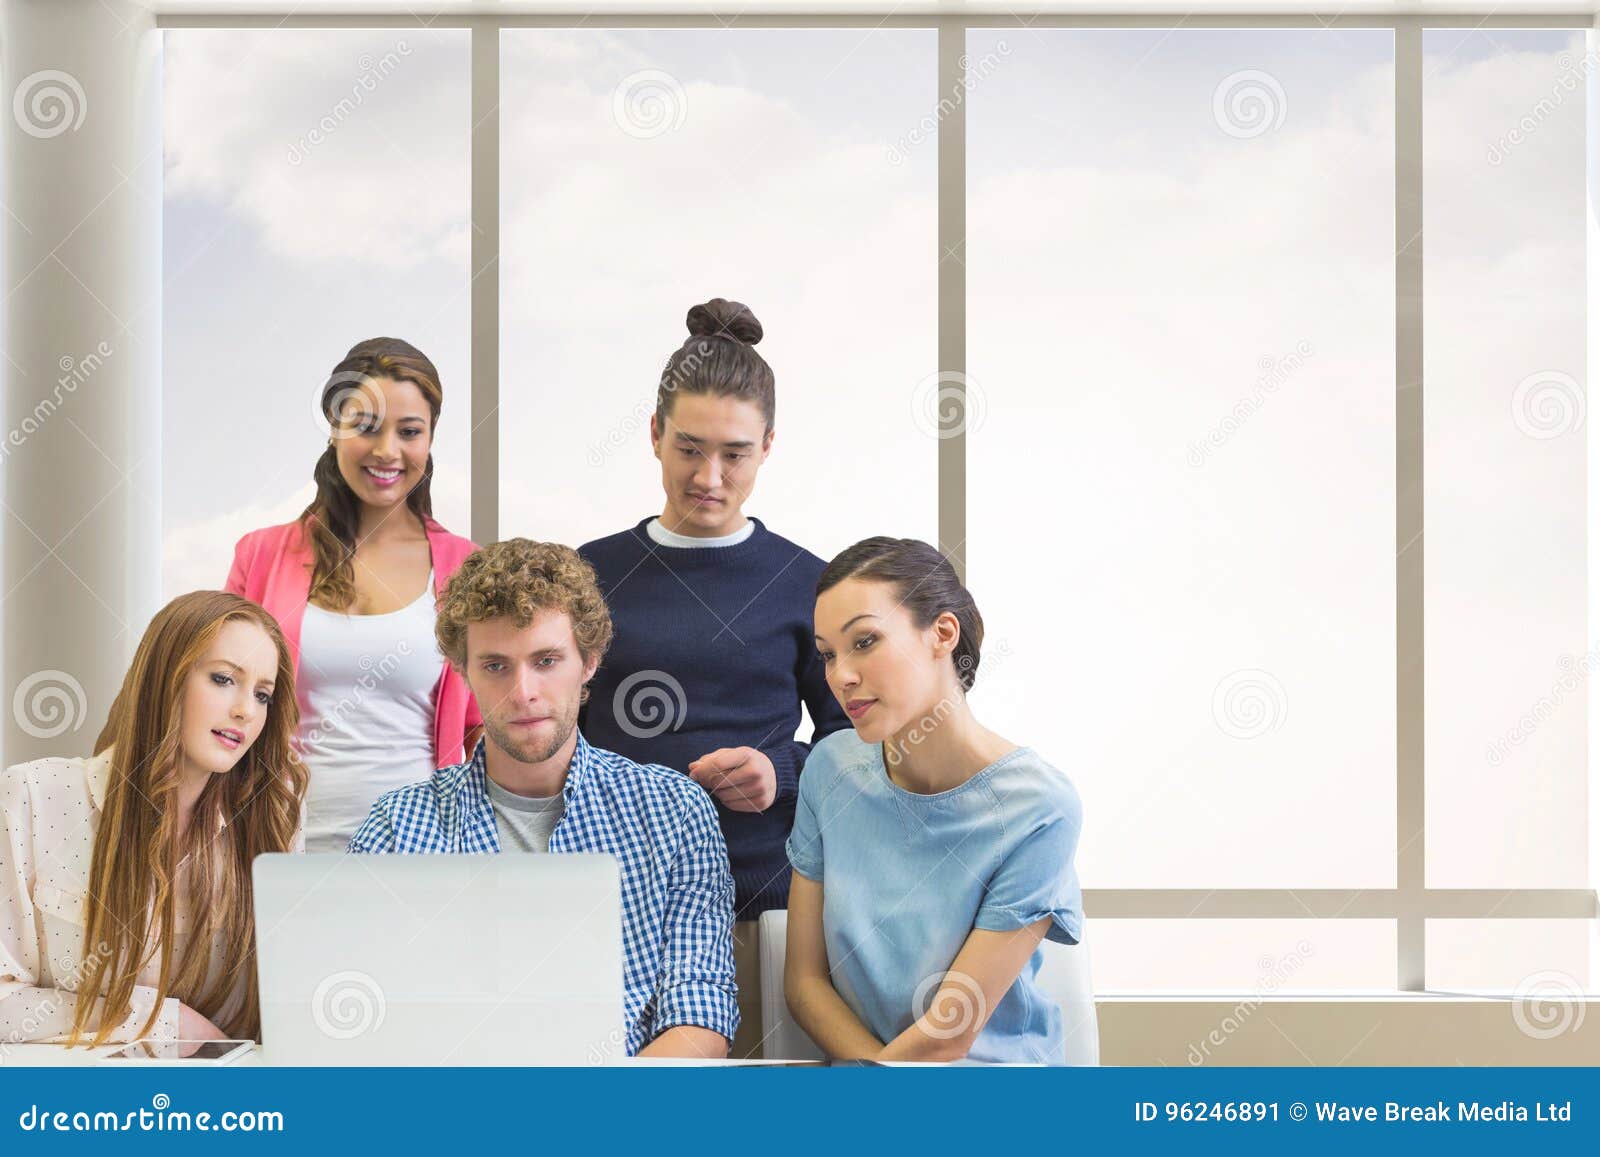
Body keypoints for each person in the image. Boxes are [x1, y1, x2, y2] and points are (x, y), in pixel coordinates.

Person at [578, 297, 849, 1056]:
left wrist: (780, 769)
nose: (708, 475)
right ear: (655, 434)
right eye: (689, 447)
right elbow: (538, 725)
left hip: (761, 908)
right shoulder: (586, 574)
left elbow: (858, 741)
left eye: (734, 453)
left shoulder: (810, 582)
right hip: (602, 906)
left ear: (768, 446)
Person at [349, 539, 739, 1058]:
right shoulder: (397, 825)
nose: (523, 692)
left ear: (590, 662)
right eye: (495, 666)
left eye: (547, 660)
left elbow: (700, 1009)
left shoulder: (674, 812)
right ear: (462, 673)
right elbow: (365, 1011)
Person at [785, 537, 1084, 1063]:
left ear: (942, 633)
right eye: (828, 654)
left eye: (865, 642)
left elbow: (950, 1030)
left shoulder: (1038, 807)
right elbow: (805, 983)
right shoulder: (830, 769)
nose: (839, 676)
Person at [0, 591, 307, 1048]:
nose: (246, 710)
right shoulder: (32, 796)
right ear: (165, 677)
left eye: (263, 694)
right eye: (223, 679)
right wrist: (165, 1022)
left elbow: (290, 1013)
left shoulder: (276, 815)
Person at [226, 337, 481, 852]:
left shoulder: (465, 566)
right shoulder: (261, 555)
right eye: (366, 427)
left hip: (422, 853)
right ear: (334, 428)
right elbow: (215, 692)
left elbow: (482, 727)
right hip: (275, 847)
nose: (387, 450)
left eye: (409, 432)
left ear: (429, 440)